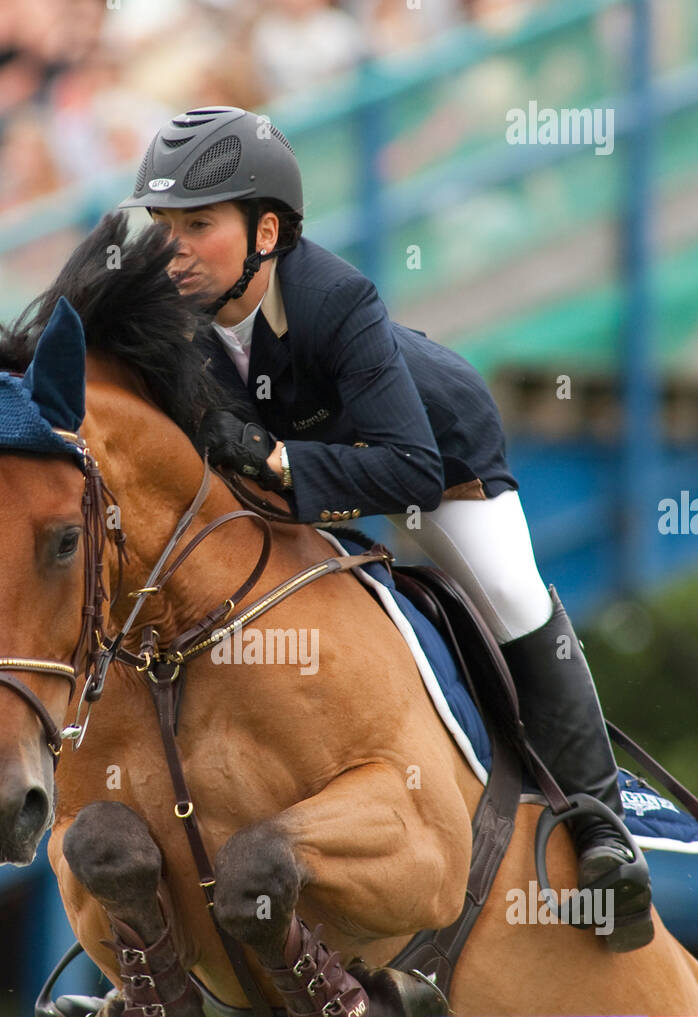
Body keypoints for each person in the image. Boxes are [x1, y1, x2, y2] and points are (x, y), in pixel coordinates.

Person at [118, 105, 653, 952]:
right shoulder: (170, 318)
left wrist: (279, 461)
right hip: (294, 478)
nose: (171, 249)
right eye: (161, 226)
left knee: (511, 594)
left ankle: (602, 832)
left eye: (197, 225)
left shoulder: (336, 299)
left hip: (435, 454)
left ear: (266, 232)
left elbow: (406, 470)